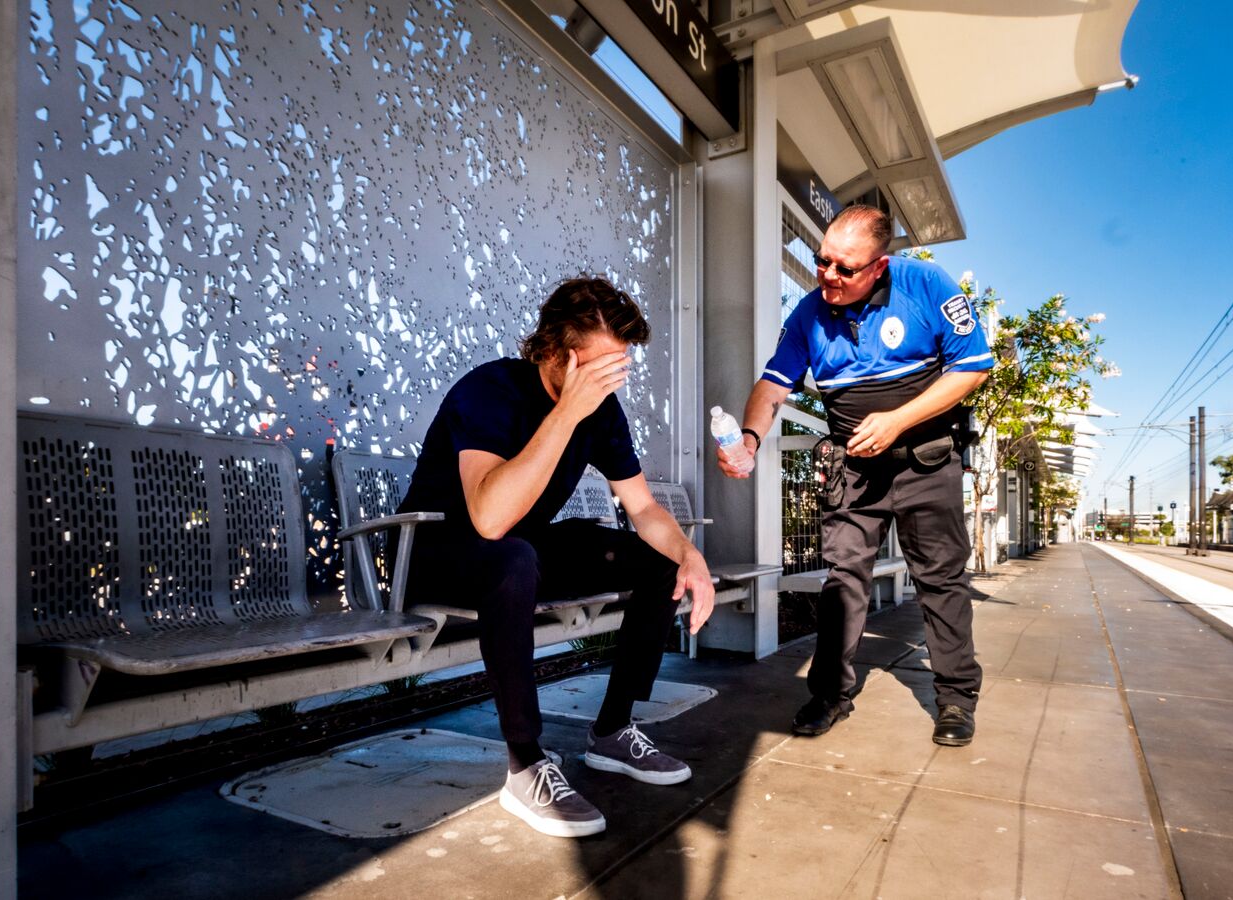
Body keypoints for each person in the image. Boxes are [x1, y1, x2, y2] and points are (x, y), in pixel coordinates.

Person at [400, 277, 715, 838]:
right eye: (596, 369)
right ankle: (525, 763)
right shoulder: (490, 390)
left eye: (617, 368)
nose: (606, 383)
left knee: (659, 562)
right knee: (514, 556)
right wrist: (566, 414)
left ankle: (612, 731)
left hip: (519, 553)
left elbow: (643, 507)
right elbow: (489, 520)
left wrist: (691, 556)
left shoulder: (602, 410)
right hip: (438, 554)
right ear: (552, 350)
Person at [719, 204, 992, 747]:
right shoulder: (808, 313)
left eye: (845, 268)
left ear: (879, 266)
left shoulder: (927, 284)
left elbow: (972, 367)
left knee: (940, 579)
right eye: (822, 261)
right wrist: (749, 439)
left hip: (925, 461)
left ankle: (956, 699)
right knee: (843, 580)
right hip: (853, 469)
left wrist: (896, 421)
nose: (829, 276)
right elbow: (773, 386)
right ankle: (829, 694)